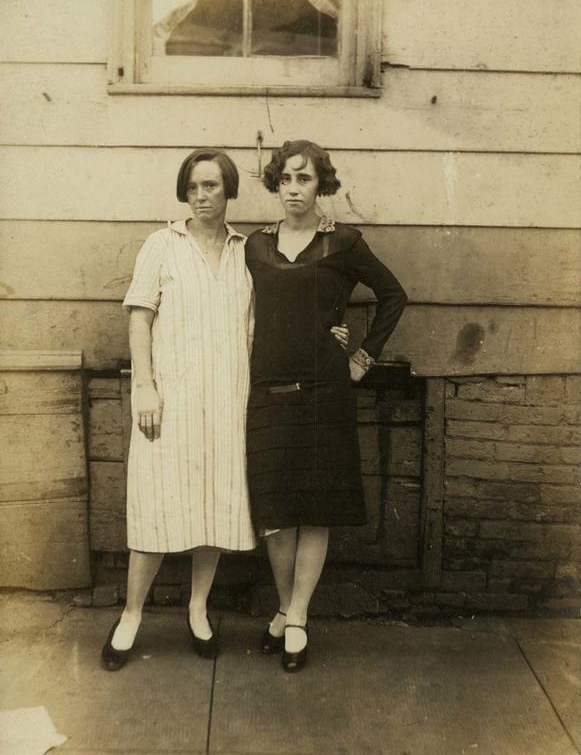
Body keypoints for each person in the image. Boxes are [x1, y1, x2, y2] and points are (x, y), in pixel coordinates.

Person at [101, 148, 348, 670]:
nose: (202, 196)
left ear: (229, 190)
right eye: (193, 187)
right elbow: (140, 319)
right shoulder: (162, 245)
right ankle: (130, 614)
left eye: (211, 186)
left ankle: (197, 609)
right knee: (156, 505)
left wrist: (331, 332)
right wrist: (143, 386)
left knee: (211, 508)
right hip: (169, 403)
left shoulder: (248, 251)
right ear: (184, 192)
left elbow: (284, 307)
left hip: (232, 402)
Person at [245, 140, 407, 672]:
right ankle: (286, 609)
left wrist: (361, 355)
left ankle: (295, 619)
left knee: (314, 510)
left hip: (324, 394)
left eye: (305, 179)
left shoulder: (344, 242)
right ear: (275, 184)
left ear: (322, 185)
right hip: (267, 391)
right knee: (276, 512)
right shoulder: (254, 247)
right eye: (286, 179)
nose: (294, 189)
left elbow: (393, 295)